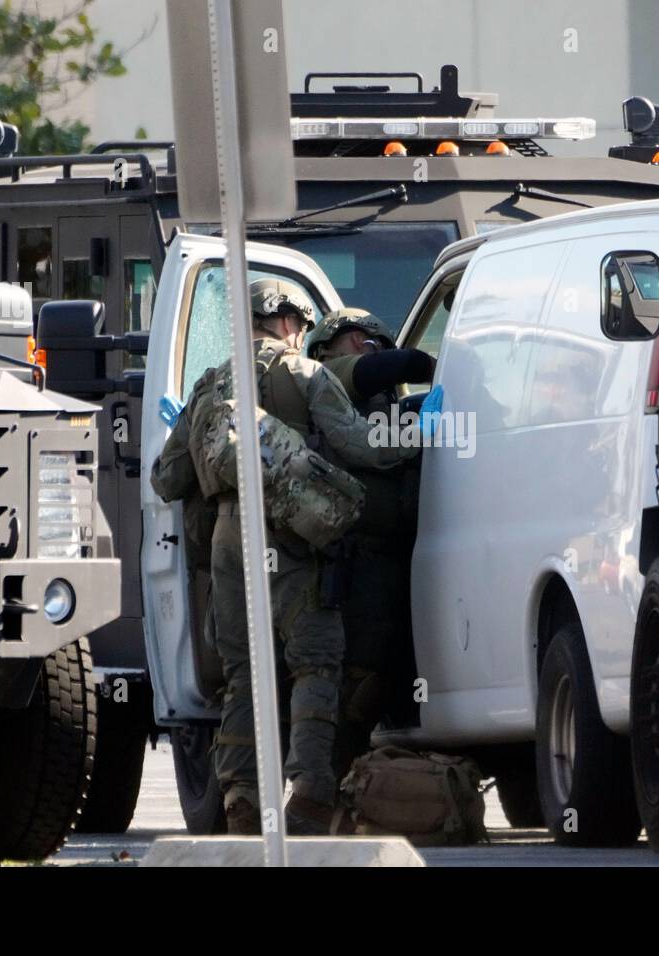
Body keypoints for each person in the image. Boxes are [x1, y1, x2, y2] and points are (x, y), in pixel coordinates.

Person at [204, 280, 419, 835]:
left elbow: (168, 475)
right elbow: (361, 446)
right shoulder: (306, 374)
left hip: (229, 537)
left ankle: (241, 801)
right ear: (292, 326)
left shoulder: (211, 384)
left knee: (242, 673)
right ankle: (308, 796)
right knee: (315, 664)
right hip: (293, 532)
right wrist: (425, 435)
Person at [305, 309, 435, 774]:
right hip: (359, 559)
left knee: (393, 669)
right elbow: (384, 368)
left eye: (374, 339)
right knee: (359, 680)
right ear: (325, 347)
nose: (366, 346)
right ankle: (330, 781)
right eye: (355, 338)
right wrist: (435, 363)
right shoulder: (326, 378)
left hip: (401, 556)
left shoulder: (384, 408)